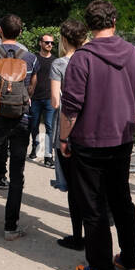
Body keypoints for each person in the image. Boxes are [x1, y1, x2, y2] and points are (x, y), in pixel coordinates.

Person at [58, 0, 135, 270]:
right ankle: (130, 259)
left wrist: (63, 138)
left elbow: (70, 107)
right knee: (122, 199)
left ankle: (101, 269)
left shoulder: (82, 58)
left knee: (94, 205)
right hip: (121, 138)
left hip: (89, 140)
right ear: (114, 21)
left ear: (89, 25)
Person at [0, 14, 37, 241]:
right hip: (20, 119)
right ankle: (11, 227)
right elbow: (32, 88)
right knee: (16, 174)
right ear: (20, 32)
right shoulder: (30, 58)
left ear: (0, 31)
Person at [50, 18, 88, 249]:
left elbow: (56, 101)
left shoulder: (59, 64)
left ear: (64, 39)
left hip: (66, 127)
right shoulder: (92, 60)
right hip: (91, 127)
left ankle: (77, 235)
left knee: (73, 189)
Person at [29, 32, 57, 164]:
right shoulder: (34, 59)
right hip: (35, 98)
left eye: (52, 43)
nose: (50, 45)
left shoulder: (55, 61)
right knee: (33, 125)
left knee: (50, 126)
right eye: (47, 42)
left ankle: (48, 155)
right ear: (40, 43)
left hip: (49, 98)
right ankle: (35, 148)